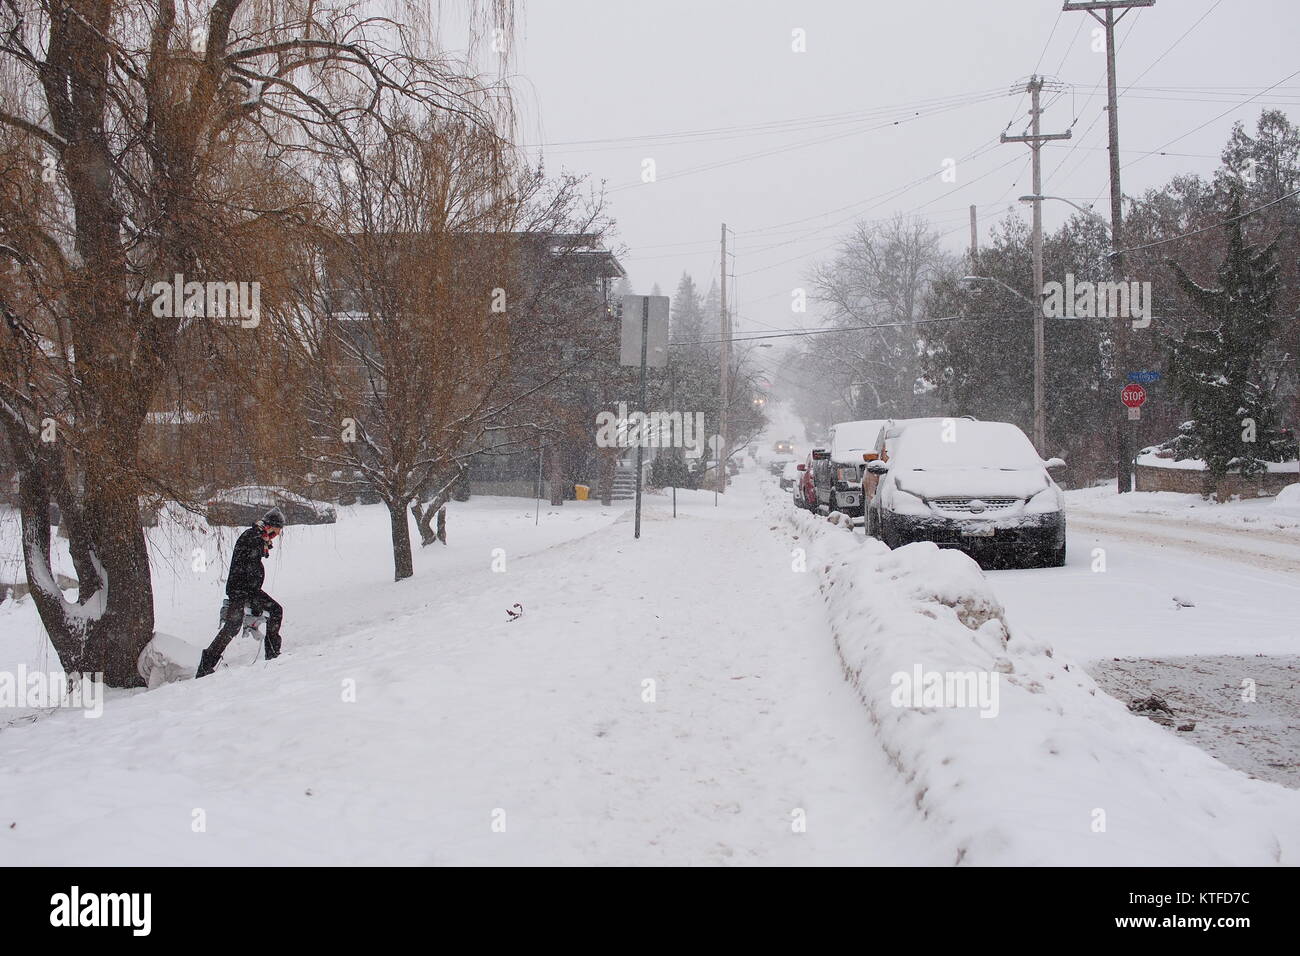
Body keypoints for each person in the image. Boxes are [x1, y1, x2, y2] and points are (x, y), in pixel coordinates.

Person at [196, 508, 285, 678]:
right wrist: (254, 599)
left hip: (244, 589)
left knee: (234, 626)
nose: (279, 534)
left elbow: (250, 566)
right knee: (241, 623)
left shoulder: (256, 536)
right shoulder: (255, 537)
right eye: (279, 529)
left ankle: (206, 664)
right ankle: (272, 654)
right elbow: (249, 567)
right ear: (272, 526)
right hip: (243, 590)